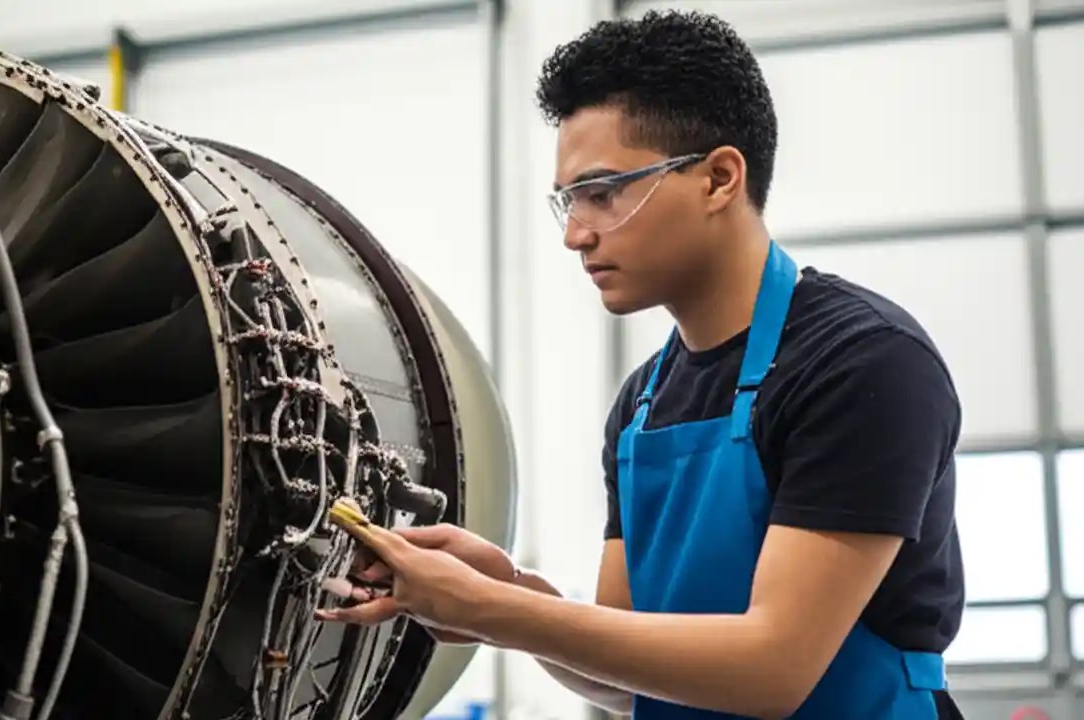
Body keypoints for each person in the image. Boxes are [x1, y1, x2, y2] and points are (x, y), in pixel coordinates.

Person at [317, 9, 966, 719]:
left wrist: (496, 609)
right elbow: (628, 681)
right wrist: (510, 590)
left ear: (719, 178)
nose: (574, 234)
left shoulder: (861, 363)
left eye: (603, 193)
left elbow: (774, 670)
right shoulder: (644, 404)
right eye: (567, 200)